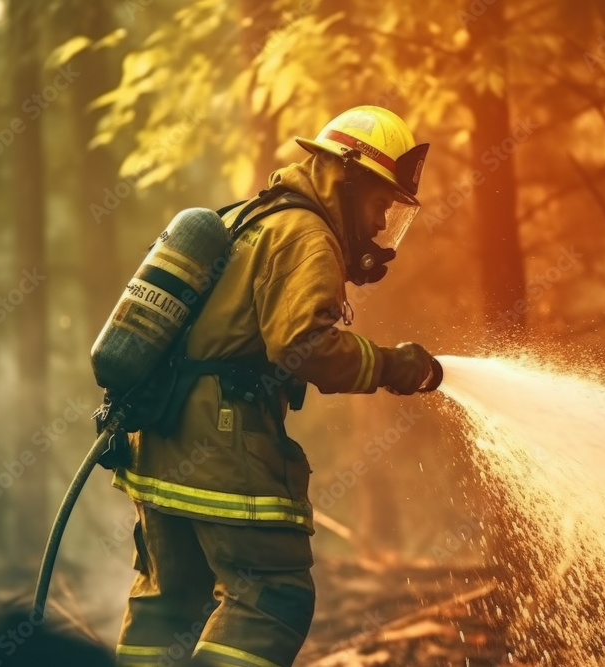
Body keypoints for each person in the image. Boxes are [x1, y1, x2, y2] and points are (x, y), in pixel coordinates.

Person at [112, 105, 441, 667]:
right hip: (221, 444)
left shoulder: (254, 215)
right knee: (273, 597)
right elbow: (300, 344)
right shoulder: (307, 235)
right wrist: (391, 366)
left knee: (168, 607)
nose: (384, 223)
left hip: (158, 438)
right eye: (381, 202)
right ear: (346, 177)